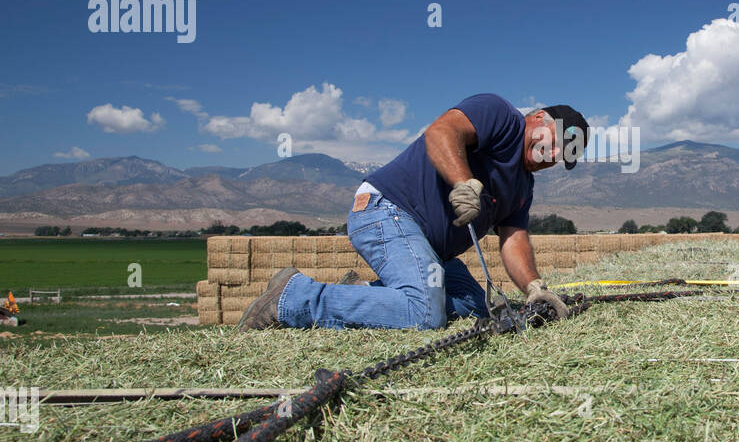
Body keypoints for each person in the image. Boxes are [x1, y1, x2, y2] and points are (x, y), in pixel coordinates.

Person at [237, 93, 587, 330]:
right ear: (540, 118)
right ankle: (293, 298)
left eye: (563, 157)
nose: (553, 156)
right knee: (425, 313)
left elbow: (514, 240)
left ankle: (366, 293)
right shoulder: (499, 115)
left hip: (433, 251)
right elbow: (440, 132)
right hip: (385, 210)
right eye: (556, 142)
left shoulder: (523, 187)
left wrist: (534, 289)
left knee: (477, 309)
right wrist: (464, 183)